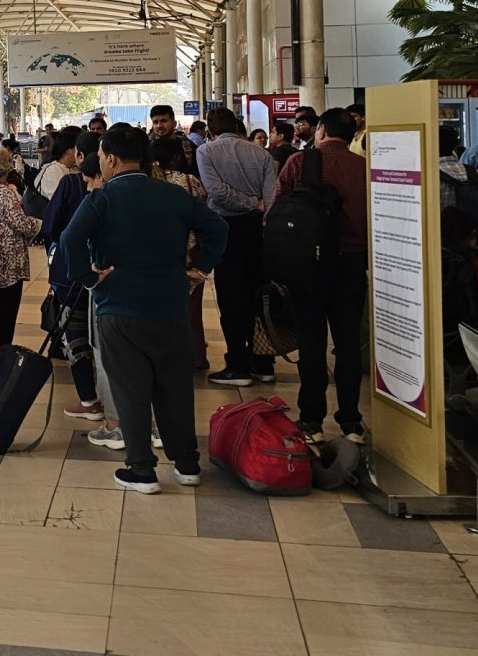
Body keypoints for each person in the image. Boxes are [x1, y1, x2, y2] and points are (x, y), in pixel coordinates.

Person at [62, 124, 228, 494]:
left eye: (103, 157)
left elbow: (70, 240)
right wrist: (202, 268)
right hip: (170, 306)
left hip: (118, 307)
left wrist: (89, 280)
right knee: (175, 388)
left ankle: (142, 469)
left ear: (110, 159)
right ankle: (187, 465)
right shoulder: (174, 196)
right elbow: (218, 229)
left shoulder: (101, 200)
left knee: (130, 390)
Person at [272, 108, 369, 443]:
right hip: (352, 264)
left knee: (311, 342)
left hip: (307, 266)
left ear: (322, 130)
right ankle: (351, 420)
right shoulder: (365, 168)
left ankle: (311, 420)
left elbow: (275, 214)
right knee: (347, 343)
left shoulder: (300, 163)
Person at [194, 106, 280, 386]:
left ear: (210, 130)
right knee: (260, 294)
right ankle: (264, 362)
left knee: (232, 298)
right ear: (238, 126)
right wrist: (258, 208)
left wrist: (247, 203)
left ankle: (239, 364)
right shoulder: (262, 154)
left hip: (226, 230)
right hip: (259, 230)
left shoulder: (206, 152)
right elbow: (271, 198)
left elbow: (216, 192)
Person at [43, 143, 102, 421]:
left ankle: (89, 398)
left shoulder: (72, 185)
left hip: (70, 276)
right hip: (106, 277)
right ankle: (111, 401)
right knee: (105, 339)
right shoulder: (125, 193)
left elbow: (53, 227)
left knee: (76, 336)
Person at [150, 134, 211, 371]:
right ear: (176, 157)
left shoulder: (147, 181)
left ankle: (163, 355)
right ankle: (196, 356)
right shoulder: (188, 181)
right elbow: (204, 211)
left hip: (157, 251)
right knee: (191, 308)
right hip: (190, 249)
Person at [0, 147, 43, 351]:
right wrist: (40, 223)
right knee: (8, 305)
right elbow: (20, 223)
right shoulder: (4, 193)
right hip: (9, 258)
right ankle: (2, 347)